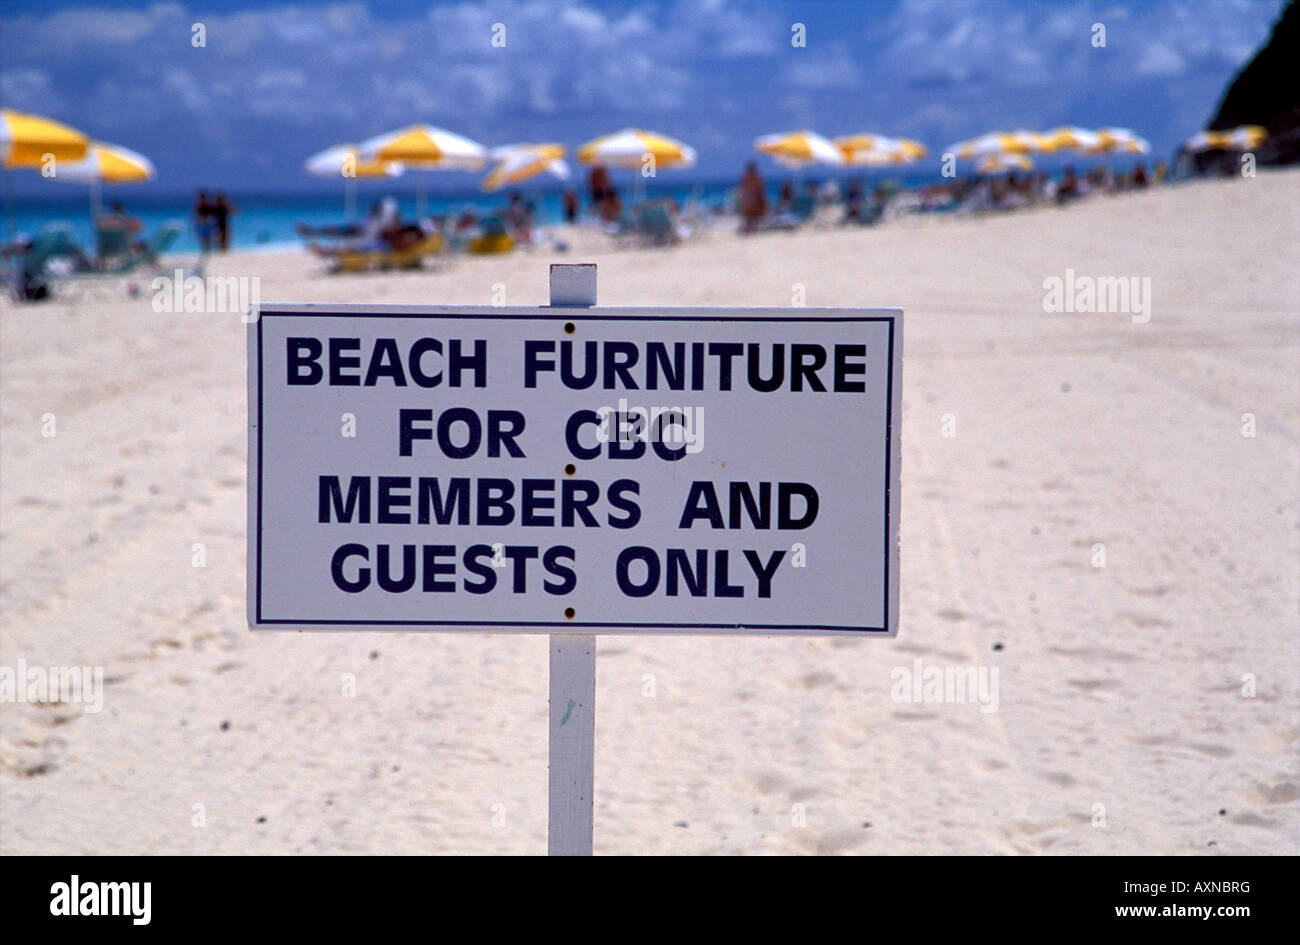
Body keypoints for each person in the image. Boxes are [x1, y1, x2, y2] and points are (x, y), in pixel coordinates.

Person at [738, 161, 767, 232]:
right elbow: (760, 189)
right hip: (754, 199)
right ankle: (752, 228)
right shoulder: (756, 177)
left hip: (748, 200)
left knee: (750, 216)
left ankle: (749, 228)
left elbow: (742, 189)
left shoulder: (746, 177)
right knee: (753, 216)